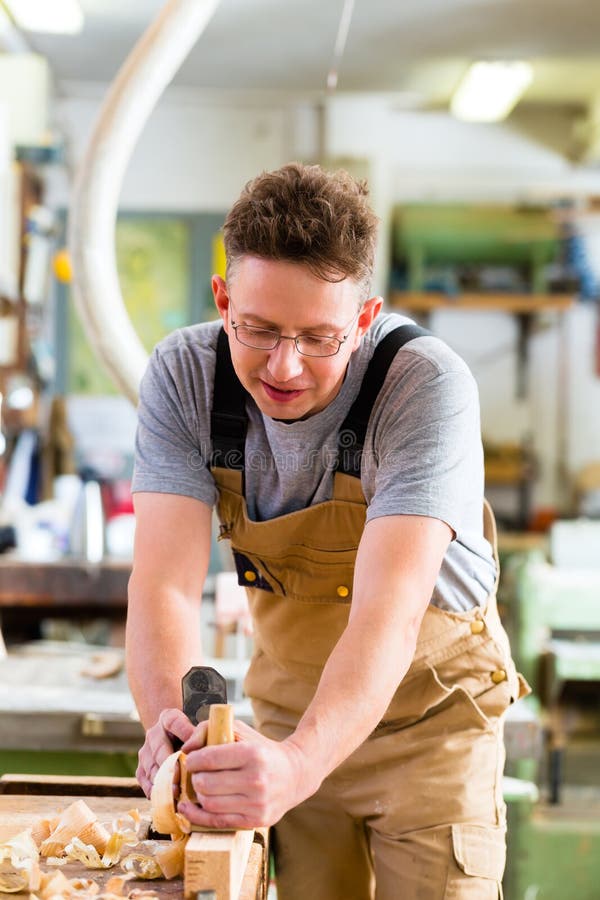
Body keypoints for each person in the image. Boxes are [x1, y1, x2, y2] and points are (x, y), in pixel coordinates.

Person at [127, 162, 529, 899]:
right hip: (285, 721)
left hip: (430, 730)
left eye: (319, 338)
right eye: (257, 329)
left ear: (365, 319)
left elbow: (388, 615)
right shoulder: (184, 378)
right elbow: (165, 588)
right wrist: (172, 730)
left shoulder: (424, 387)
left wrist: (299, 768)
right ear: (222, 300)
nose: (284, 365)